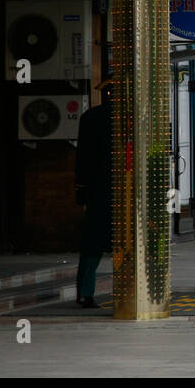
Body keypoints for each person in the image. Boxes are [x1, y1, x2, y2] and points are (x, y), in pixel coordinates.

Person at [75, 79, 113, 309]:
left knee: (92, 245)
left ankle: (85, 293)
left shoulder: (90, 118)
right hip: (126, 193)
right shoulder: (132, 119)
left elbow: (82, 159)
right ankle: (130, 292)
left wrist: (82, 191)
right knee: (127, 245)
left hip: (98, 193)